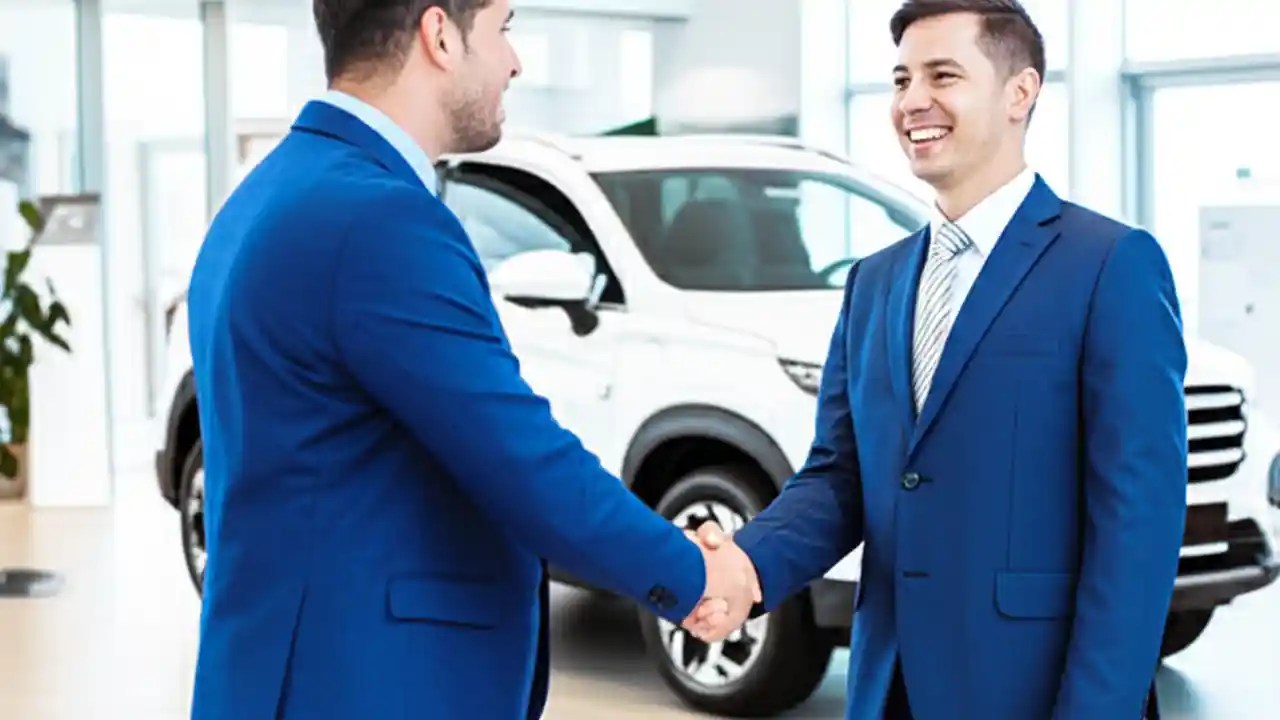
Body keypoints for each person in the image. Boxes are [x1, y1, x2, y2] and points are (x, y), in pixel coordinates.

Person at [184, 1, 758, 718]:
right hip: (365, 682)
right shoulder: (378, 218)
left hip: (281, 669)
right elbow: (521, 460)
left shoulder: (266, 195)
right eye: (504, 29)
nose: (515, 62)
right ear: (440, 35)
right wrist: (691, 574)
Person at [690, 0, 1187, 718]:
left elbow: (1136, 529)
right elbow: (841, 477)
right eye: (899, 80)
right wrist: (746, 565)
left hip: (1032, 690)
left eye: (942, 75)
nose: (911, 102)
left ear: (1021, 92)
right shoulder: (874, 281)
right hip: (889, 684)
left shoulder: (1110, 266)